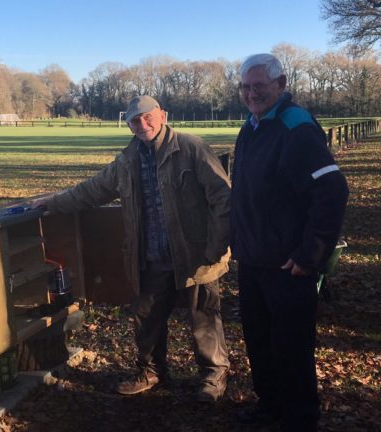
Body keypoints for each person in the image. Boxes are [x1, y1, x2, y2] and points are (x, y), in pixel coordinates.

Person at [32, 95, 232, 402]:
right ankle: (152, 371)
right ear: (128, 125)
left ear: (162, 115)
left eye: (148, 117)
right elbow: (93, 190)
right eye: (135, 121)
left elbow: (223, 197)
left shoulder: (191, 148)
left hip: (195, 255)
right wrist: (52, 203)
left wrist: (216, 246)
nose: (143, 125)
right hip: (150, 255)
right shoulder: (127, 161)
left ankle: (213, 376)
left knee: (203, 317)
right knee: (146, 317)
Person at [230, 53, 349, 431]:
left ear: (280, 86)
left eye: (260, 87)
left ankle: (299, 418)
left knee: (291, 349)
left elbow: (332, 191)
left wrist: (310, 255)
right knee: (260, 345)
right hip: (253, 261)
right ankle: (270, 407)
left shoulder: (296, 127)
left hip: (288, 266)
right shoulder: (252, 126)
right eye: (246, 87)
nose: (252, 93)